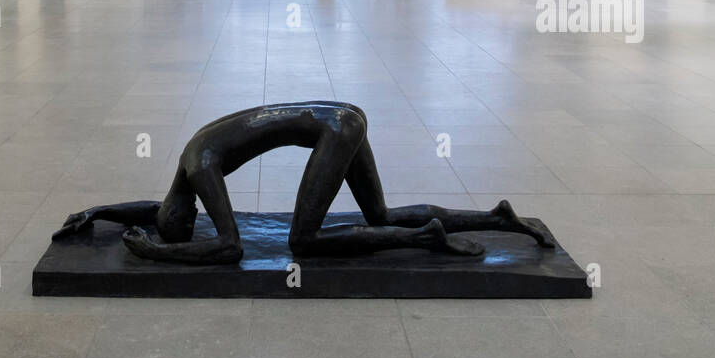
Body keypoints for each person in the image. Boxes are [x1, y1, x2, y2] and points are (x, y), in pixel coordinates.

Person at [53, 101, 554, 264]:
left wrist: (156, 253)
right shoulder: (187, 167)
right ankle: (496, 218)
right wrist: (99, 212)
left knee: (301, 242)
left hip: (336, 128)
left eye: (185, 222)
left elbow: (229, 249)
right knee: (376, 215)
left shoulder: (200, 168)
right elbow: (149, 211)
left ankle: (424, 237)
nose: (194, 218)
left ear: (178, 210)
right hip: (342, 115)